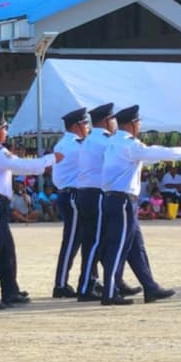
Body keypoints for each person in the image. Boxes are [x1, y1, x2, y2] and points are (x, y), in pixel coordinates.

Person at [99, 105, 181, 306]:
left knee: (136, 248)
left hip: (117, 199)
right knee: (118, 247)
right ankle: (109, 292)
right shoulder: (128, 144)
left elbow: (148, 156)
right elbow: (154, 152)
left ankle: (150, 287)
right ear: (132, 124)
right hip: (122, 200)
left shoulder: (114, 142)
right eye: (139, 122)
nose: (141, 126)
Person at [0, 112, 60, 310]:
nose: (6, 133)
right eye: (5, 129)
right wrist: (51, 159)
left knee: (5, 249)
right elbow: (22, 166)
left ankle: (10, 290)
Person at [74, 103, 125, 302]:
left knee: (93, 241)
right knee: (94, 242)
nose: (115, 124)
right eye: (113, 120)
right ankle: (86, 286)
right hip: (95, 194)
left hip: (86, 193)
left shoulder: (89, 139)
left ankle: (94, 282)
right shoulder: (105, 141)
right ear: (106, 121)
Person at [51, 107, 90, 299]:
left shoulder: (67, 143)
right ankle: (60, 284)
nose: (88, 127)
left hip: (70, 195)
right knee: (72, 241)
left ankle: (81, 280)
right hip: (73, 195)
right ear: (76, 126)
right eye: (85, 123)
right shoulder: (75, 146)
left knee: (80, 239)